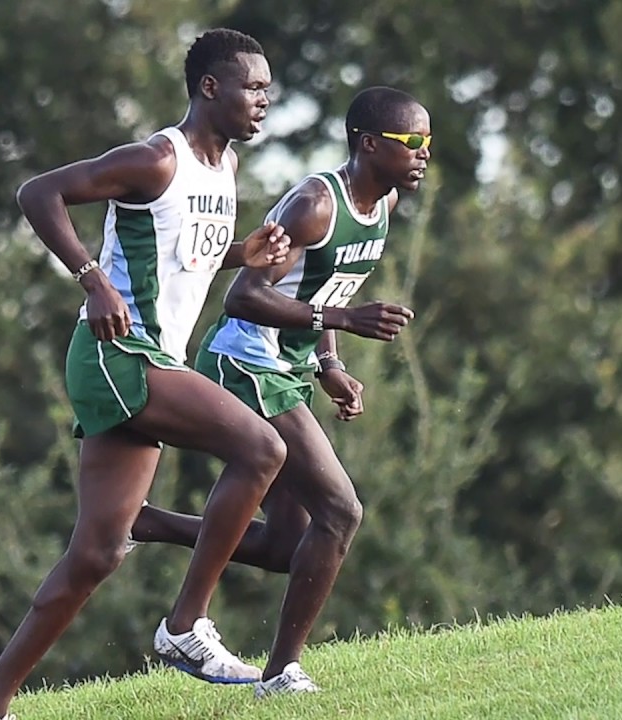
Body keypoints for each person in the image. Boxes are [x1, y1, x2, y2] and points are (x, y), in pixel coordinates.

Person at [0, 28, 291, 720]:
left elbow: (175, 260)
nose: (265, 100)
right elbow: (38, 192)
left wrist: (238, 254)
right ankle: (186, 625)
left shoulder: (222, 169)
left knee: (97, 554)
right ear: (209, 89)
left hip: (147, 360)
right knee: (262, 448)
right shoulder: (157, 159)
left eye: (267, 88)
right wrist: (90, 280)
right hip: (117, 355)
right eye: (253, 87)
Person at [128, 86, 432, 697]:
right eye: (412, 143)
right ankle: (279, 672)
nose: (424, 154)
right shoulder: (316, 205)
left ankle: (145, 523)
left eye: (428, 143)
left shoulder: (387, 202)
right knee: (342, 512)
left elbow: (324, 289)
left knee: (285, 545)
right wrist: (341, 325)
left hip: (289, 370)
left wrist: (327, 365)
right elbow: (244, 295)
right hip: (245, 362)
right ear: (369, 144)